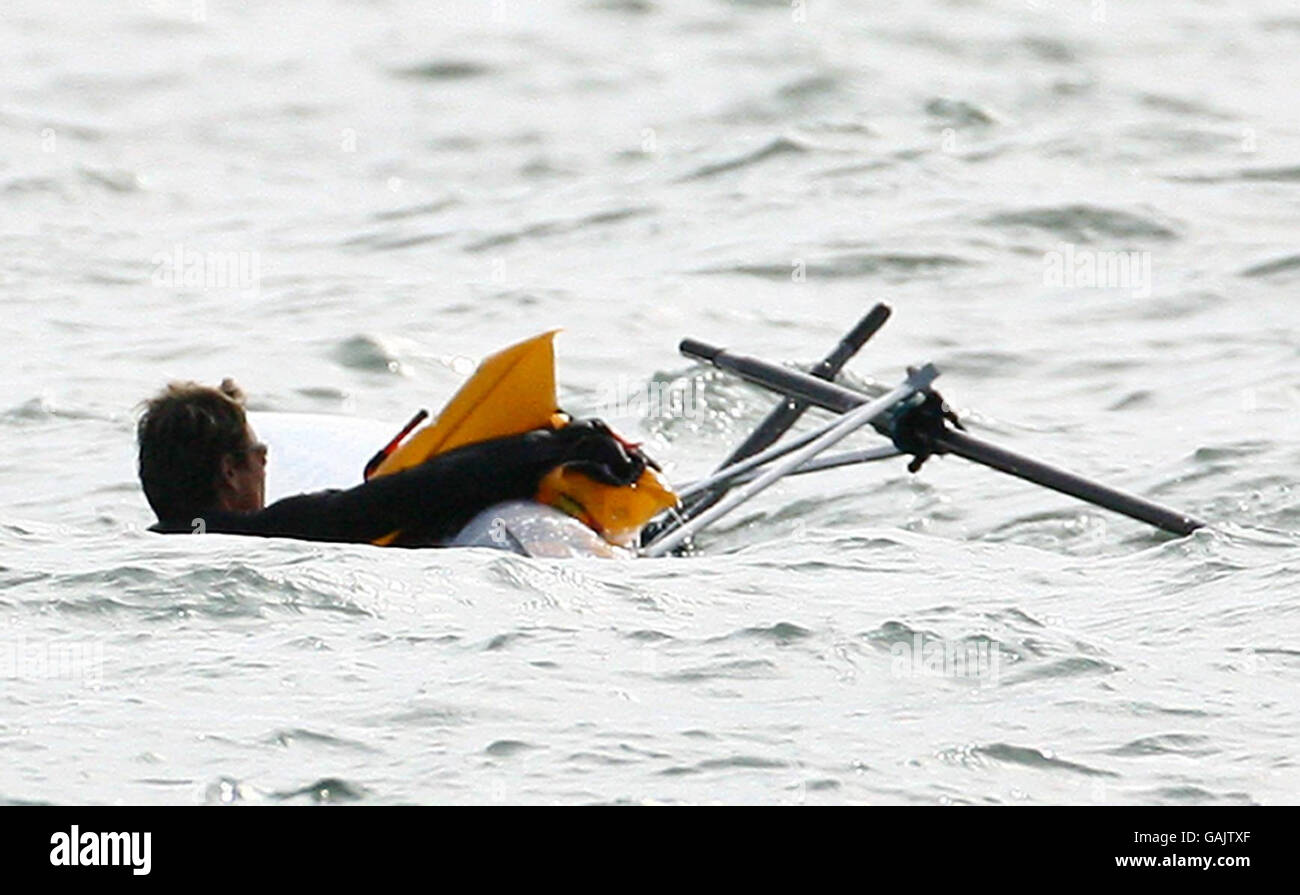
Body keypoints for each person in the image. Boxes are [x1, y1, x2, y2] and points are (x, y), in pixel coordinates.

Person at [136, 378, 648, 546]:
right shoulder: (261, 538)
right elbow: (399, 497)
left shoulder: (158, 544)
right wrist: (548, 449)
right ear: (229, 471)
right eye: (258, 453)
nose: (266, 462)